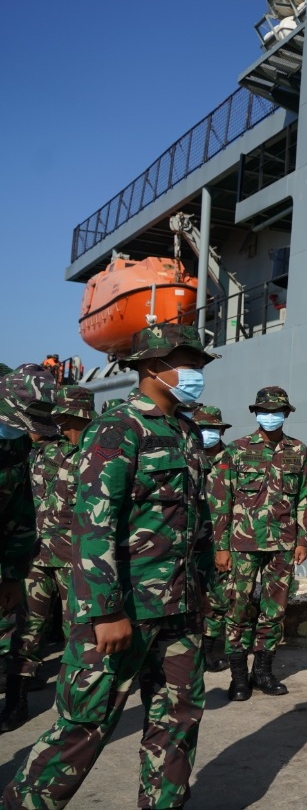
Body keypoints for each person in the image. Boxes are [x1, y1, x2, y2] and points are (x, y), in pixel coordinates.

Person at [5, 323, 217, 810]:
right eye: (187, 361)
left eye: (199, 363)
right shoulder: (118, 428)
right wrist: (105, 611)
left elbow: (195, 519)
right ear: (151, 366)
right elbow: (93, 525)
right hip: (123, 610)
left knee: (179, 721)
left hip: (178, 609)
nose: (195, 372)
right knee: (83, 727)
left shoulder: (185, 431)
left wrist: (203, 587)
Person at [1, 385, 96, 733]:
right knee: (27, 631)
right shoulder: (39, 451)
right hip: (36, 557)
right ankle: (16, 702)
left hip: (77, 560)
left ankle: (72, 706)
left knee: (78, 632)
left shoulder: (97, 454)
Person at [213, 386, 307, 700]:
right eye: (264, 411)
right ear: (256, 413)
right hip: (242, 544)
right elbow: (221, 498)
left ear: (286, 414)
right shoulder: (237, 450)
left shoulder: (298, 450)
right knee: (237, 609)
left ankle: (263, 672)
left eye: (277, 412)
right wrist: (221, 545)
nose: (271, 417)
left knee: (274, 611)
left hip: (282, 544)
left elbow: (304, 498)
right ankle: (239, 677)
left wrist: (302, 540)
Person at [192, 404, 233, 673]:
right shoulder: (186, 456)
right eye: (203, 429)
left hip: (220, 543)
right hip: (187, 542)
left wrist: (227, 546)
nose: (208, 434)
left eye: (213, 429)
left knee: (218, 599)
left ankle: (207, 653)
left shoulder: (233, 459)